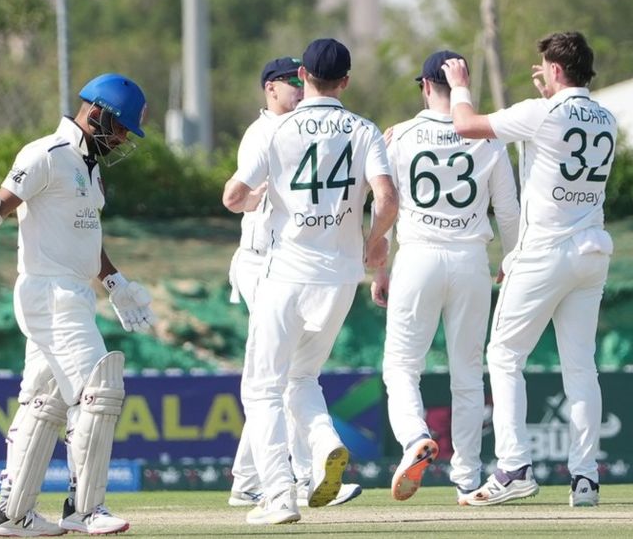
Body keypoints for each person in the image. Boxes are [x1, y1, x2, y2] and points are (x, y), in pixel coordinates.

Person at [0, 73, 156, 535]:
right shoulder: (45, 153)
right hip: (49, 293)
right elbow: (0, 205)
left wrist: (115, 283)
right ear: (96, 114)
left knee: (44, 402)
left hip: (74, 293)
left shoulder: (90, 168)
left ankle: (14, 515)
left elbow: (86, 235)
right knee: (98, 387)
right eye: (121, 126)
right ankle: (85, 509)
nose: (124, 137)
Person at [223, 38, 397, 525]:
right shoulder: (364, 130)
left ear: (303, 77)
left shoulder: (277, 130)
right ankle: (325, 448)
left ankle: (277, 495)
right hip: (340, 277)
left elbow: (233, 196)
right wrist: (378, 242)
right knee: (301, 378)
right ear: (344, 81)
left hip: (286, 272)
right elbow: (386, 197)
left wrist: (257, 197)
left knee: (261, 389)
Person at [442, 31, 617, 508]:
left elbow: (465, 126)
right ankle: (585, 478)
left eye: (546, 67)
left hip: (547, 251)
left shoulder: (542, 112)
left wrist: (458, 85)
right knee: (580, 367)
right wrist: (548, 97)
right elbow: (556, 138)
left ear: (555, 70)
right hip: (592, 249)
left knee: (503, 355)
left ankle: (514, 467)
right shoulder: (606, 116)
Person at [374, 50, 521, 506]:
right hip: (470, 258)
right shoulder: (487, 137)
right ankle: (468, 476)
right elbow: (510, 212)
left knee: (401, 366)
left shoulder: (398, 137)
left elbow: (386, 205)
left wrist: (381, 268)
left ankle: (416, 436)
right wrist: (511, 259)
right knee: (467, 375)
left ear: (424, 86)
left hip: (417, 257)